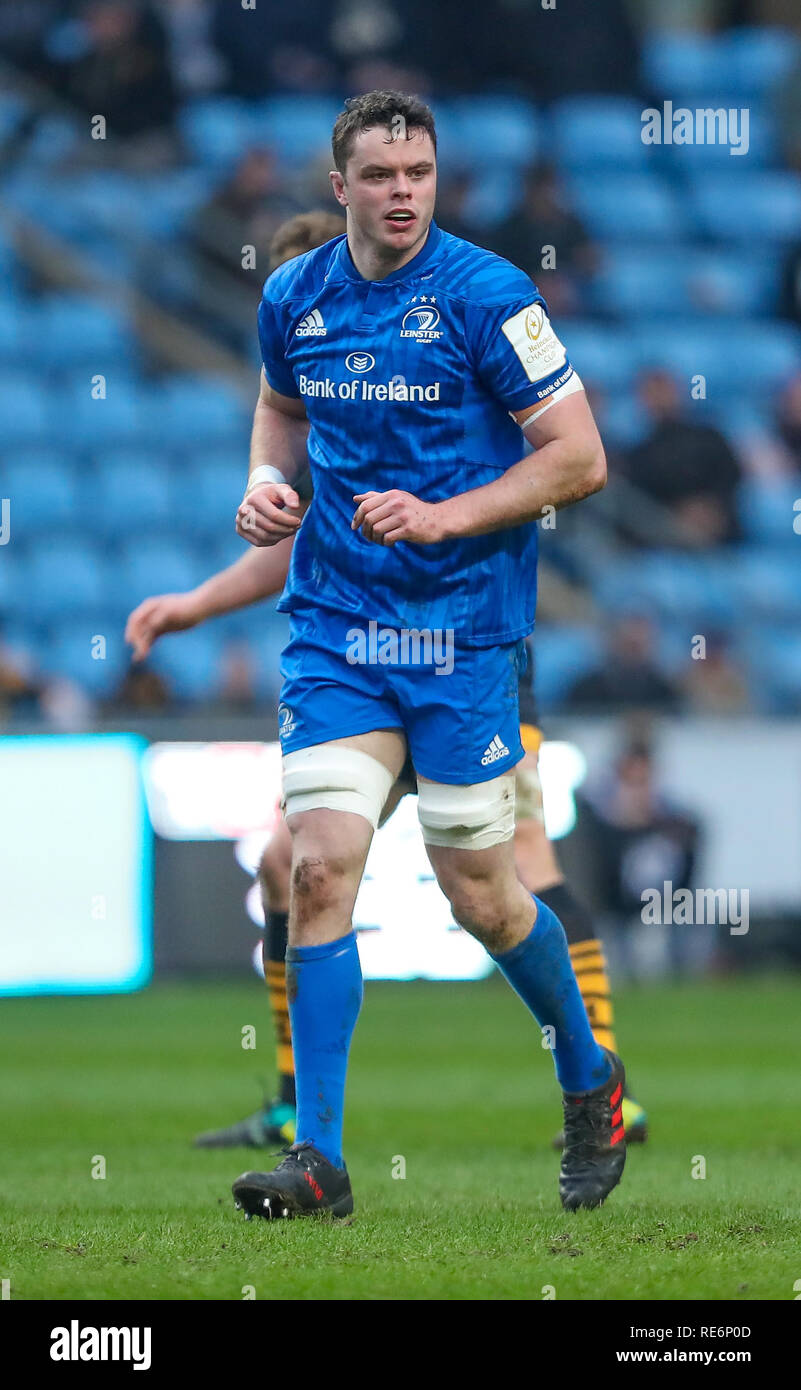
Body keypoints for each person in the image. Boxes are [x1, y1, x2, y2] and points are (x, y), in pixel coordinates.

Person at [131, 95, 629, 1217]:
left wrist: (451, 516)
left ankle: (589, 1081)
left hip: (462, 641)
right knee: (313, 868)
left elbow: (581, 458)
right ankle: (320, 1158)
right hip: (339, 636)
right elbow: (276, 413)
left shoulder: (491, 297)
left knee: (487, 901)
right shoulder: (293, 298)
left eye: (421, 171)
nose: (405, 191)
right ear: (342, 184)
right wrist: (263, 486)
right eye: (383, 174)